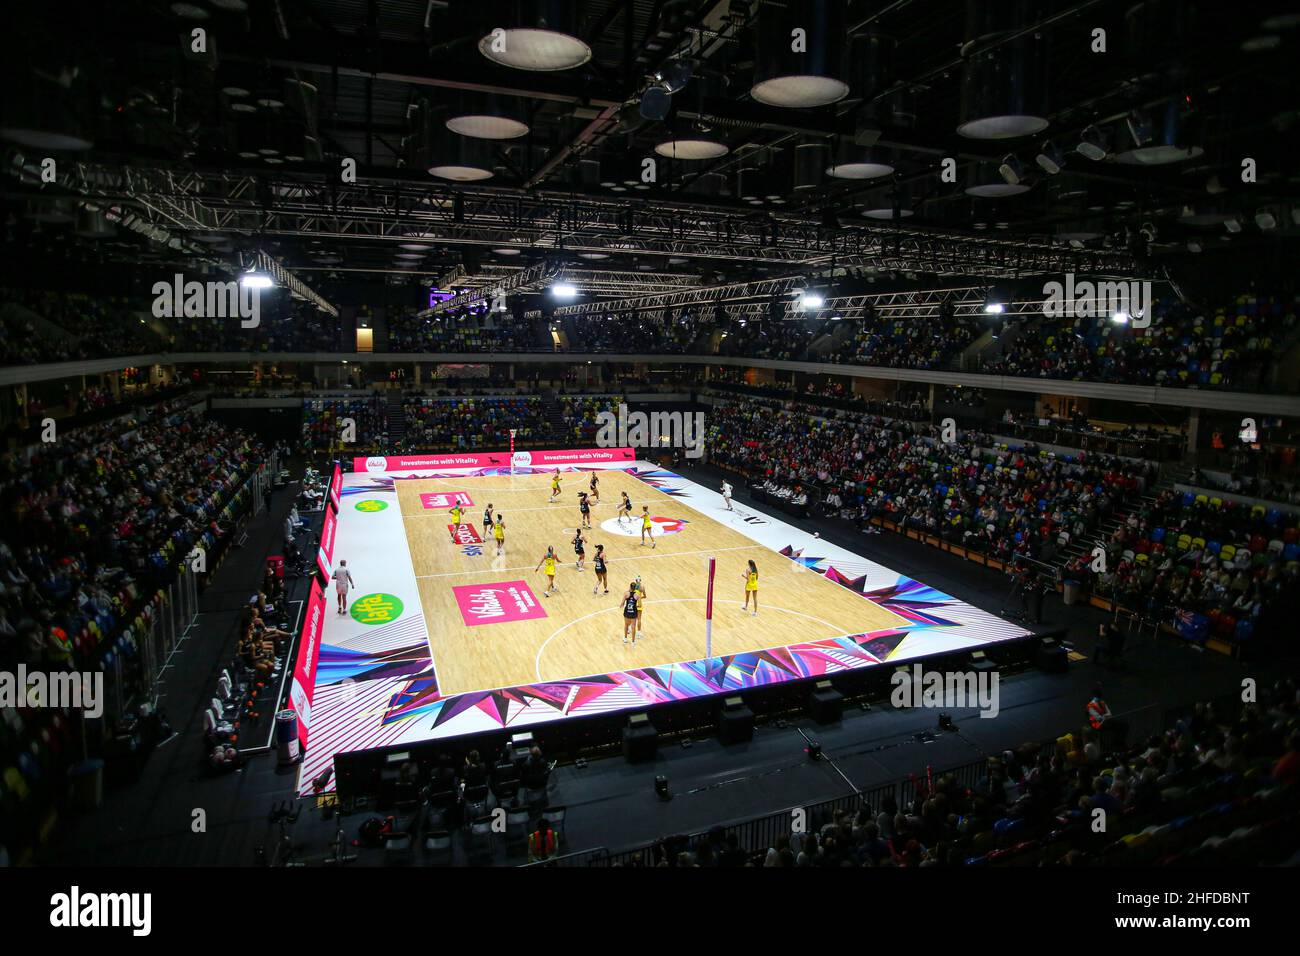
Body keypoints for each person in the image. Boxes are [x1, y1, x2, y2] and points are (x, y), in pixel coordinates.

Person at [621, 581, 640, 645]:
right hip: (633, 612)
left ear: (630, 587)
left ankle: (625, 639)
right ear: (635, 588)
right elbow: (639, 605)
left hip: (627, 611)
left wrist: (621, 605)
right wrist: (635, 605)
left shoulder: (626, 594)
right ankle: (633, 642)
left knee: (626, 625)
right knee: (633, 627)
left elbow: (622, 603)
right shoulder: (637, 595)